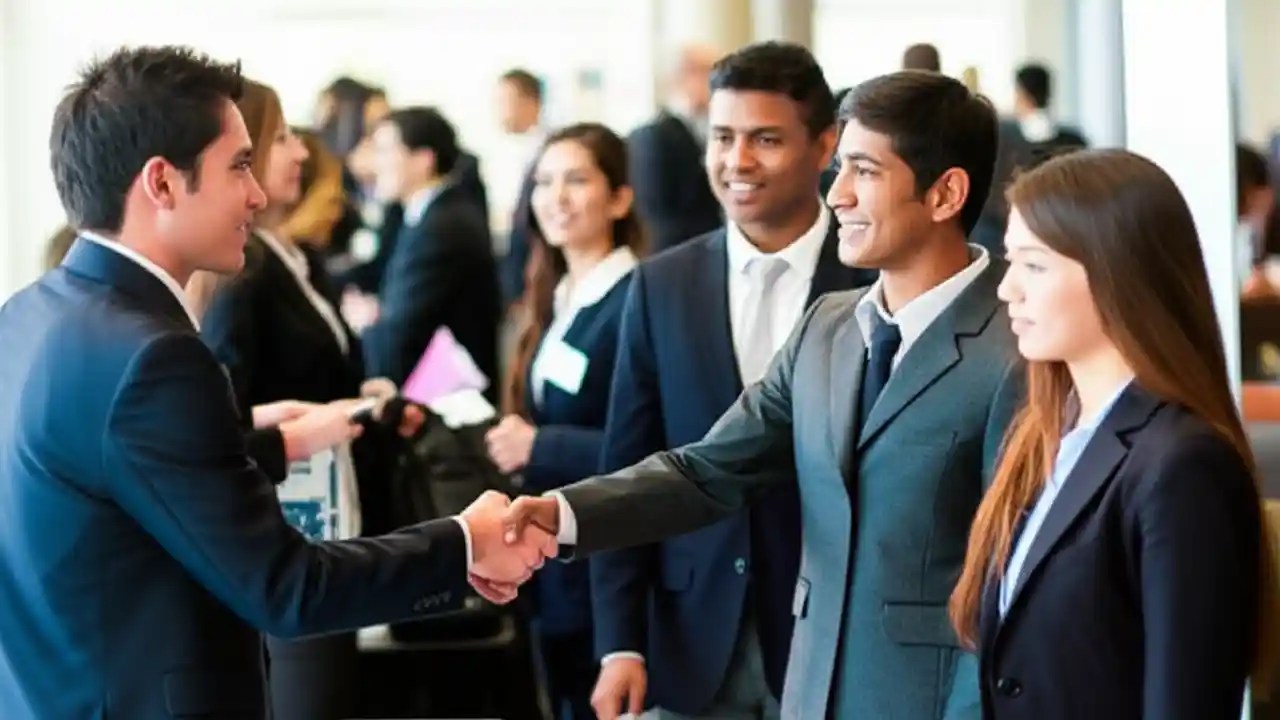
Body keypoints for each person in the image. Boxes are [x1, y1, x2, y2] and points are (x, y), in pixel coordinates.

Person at [0, 45, 551, 719]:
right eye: (237, 166)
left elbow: (119, 485)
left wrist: (258, 438)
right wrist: (465, 543)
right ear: (162, 183)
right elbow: (288, 589)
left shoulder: (29, 314)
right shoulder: (155, 358)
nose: (257, 193)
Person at [491, 69, 1020, 719]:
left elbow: (1012, 583)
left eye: (865, 171)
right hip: (809, 688)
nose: (839, 195)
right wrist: (564, 513)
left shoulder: (1017, 350)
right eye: (842, 169)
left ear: (945, 194)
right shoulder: (829, 325)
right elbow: (707, 469)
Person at [587, 42, 874, 720]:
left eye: (766, 139)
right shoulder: (662, 284)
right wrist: (619, 644)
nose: (737, 162)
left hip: (833, 638)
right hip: (689, 639)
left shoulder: (871, 280)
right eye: (722, 137)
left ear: (824, 143)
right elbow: (627, 463)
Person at [947, 148, 1278, 719]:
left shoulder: (1181, 463)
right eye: (1010, 262)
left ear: (1115, 272)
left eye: (1034, 265)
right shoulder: (1046, 435)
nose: (1008, 290)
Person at [196, 79, 425, 720]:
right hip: (292, 530)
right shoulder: (246, 277)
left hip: (332, 519)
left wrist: (362, 403)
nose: (302, 154)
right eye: (284, 139)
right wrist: (304, 428)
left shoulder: (293, 259)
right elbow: (227, 424)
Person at [484, 122, 645, 720]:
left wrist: (539, 445)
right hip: (555, 560)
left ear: (620, 198)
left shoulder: (634, 299)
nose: (557, 197)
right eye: (545, 181)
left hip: (608, 565)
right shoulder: (560, 296)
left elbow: (655, 450)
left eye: (577, 179)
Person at [627, 44, 724, 253]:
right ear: (683, 76)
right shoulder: (651, 137)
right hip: (679, 257)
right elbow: (655, 218)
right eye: (710, 72)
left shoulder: (714, 129)